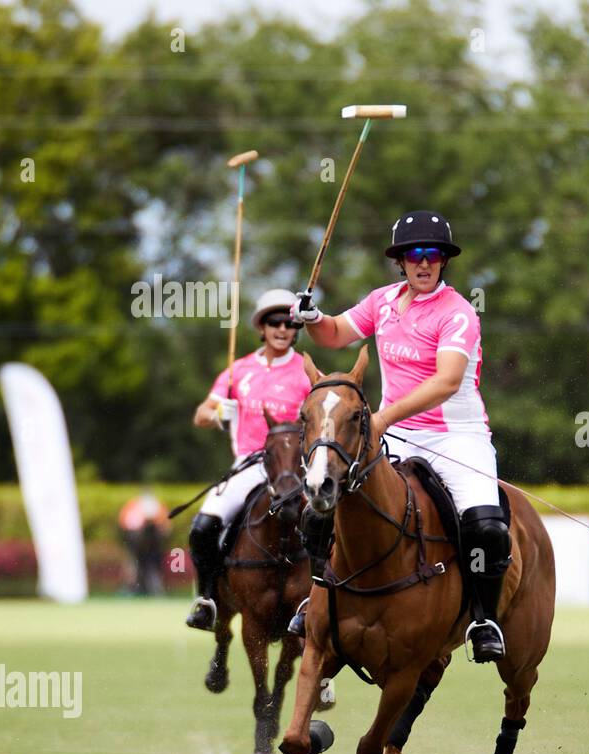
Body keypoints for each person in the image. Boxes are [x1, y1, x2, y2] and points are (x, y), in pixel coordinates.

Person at [289, 210, 509, 664]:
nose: (423, 263)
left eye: (432, 255)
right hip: (393, 434)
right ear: (401, 262)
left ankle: (483, 619)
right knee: (319, 507)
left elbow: (446, 381)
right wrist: (313, 317)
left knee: (486, 527)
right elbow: (334, 335)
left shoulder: (458, 313)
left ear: (443, 261)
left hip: (456, 438)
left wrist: (382, 418)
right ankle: (319, 599)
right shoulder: (383, 302)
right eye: (414, 255)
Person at [185, 288, 312, 630]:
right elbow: (200, 414)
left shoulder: (305, 371)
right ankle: (208, 598)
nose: (282, 329)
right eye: (275, 322)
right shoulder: (238, 370)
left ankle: (322, 602)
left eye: (289, 322)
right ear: (262, 326)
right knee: (203, 527)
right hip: (250, 465)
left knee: (327, 525)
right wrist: (216, 414)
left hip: (295, 469)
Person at [118, 488, 169, 595]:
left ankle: (147, 589)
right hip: (139, 544)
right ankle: (138, 588)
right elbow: (165, 527)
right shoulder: (139, 505)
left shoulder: (135, 505)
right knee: (137, 565)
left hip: (147, 544)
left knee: (144, 565)